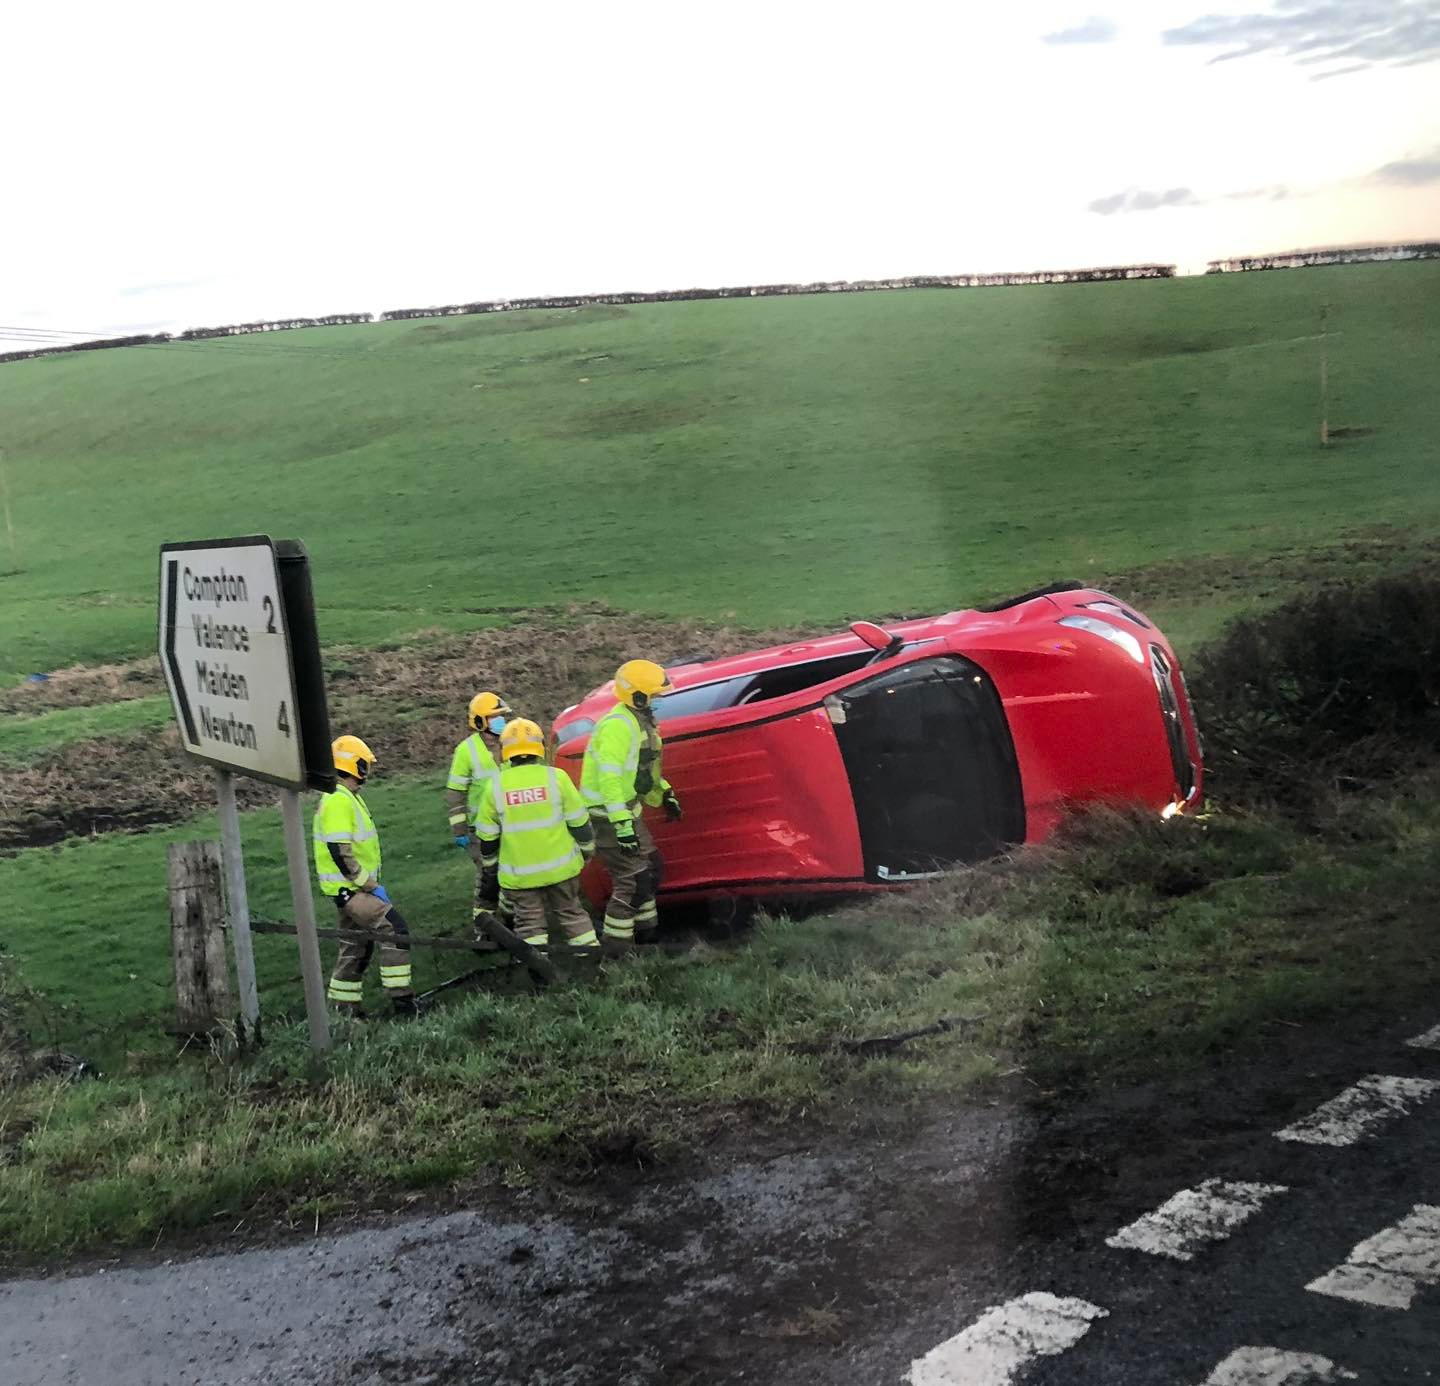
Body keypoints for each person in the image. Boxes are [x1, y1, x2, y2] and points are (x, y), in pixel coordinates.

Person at [579, 659, 682, 956]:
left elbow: (641, 772)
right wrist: (622, 824)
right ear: (638, 697)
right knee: (633, 880)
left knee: (651, 869)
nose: (659, 703)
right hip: (607, 816)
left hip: (624, 812)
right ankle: (616, 951)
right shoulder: (618, 727)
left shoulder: (639, 722)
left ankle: (648, 936)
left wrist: (664, 793)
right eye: (655, 697)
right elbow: (609, 779)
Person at [313, 735, 417, 1018]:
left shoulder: (344, 797)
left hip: (346, 890)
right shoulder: (338, 799)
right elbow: (339, 849)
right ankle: (403, 1003)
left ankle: (343, 1010)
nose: (367, 771)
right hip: (352, 891)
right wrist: (367, 884)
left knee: (355, 946)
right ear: (353, 765)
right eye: (364, 765)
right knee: (394, 929)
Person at [474, 719, 599, 951]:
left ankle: (540, 972)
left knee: (530, 924)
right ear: (540, 748)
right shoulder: (557, 778)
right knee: (572, 913)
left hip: (520, 876)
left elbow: (488, 838)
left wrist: (491, 868)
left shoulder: (495, 786)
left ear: (506, 752)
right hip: (562, 869)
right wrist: (587, 850)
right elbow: (580, 824)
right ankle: (590, 962)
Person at [446, 691, 513, 936]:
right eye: (495, 717)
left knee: (510, 874)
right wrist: (460, 830)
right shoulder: (466, 751)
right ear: (480, 722)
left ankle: (508, 921)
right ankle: (484, 928)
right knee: (488, 878)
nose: (501, 722)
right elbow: (455, 792)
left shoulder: (509, 743)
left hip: (510, 824)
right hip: (480, 829)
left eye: (502, 717)